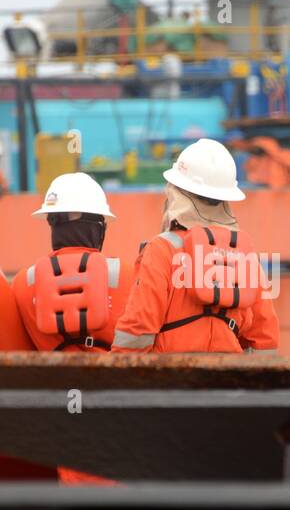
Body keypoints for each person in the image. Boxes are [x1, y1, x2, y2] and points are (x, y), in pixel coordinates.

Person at [112, 138, 279, 354]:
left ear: (176, 192)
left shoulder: (162, 250)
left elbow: (138, 330)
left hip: (172, 379)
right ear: (225, 199)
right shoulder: (245, 257)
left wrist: (115, 374)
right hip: (227, 381)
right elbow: (265, 337)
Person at [12, 172, 121, 352]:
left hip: (52, 379)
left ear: (52, 222)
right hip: (111, 378)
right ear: (98, 227)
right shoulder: (126, 276)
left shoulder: (23, 283)